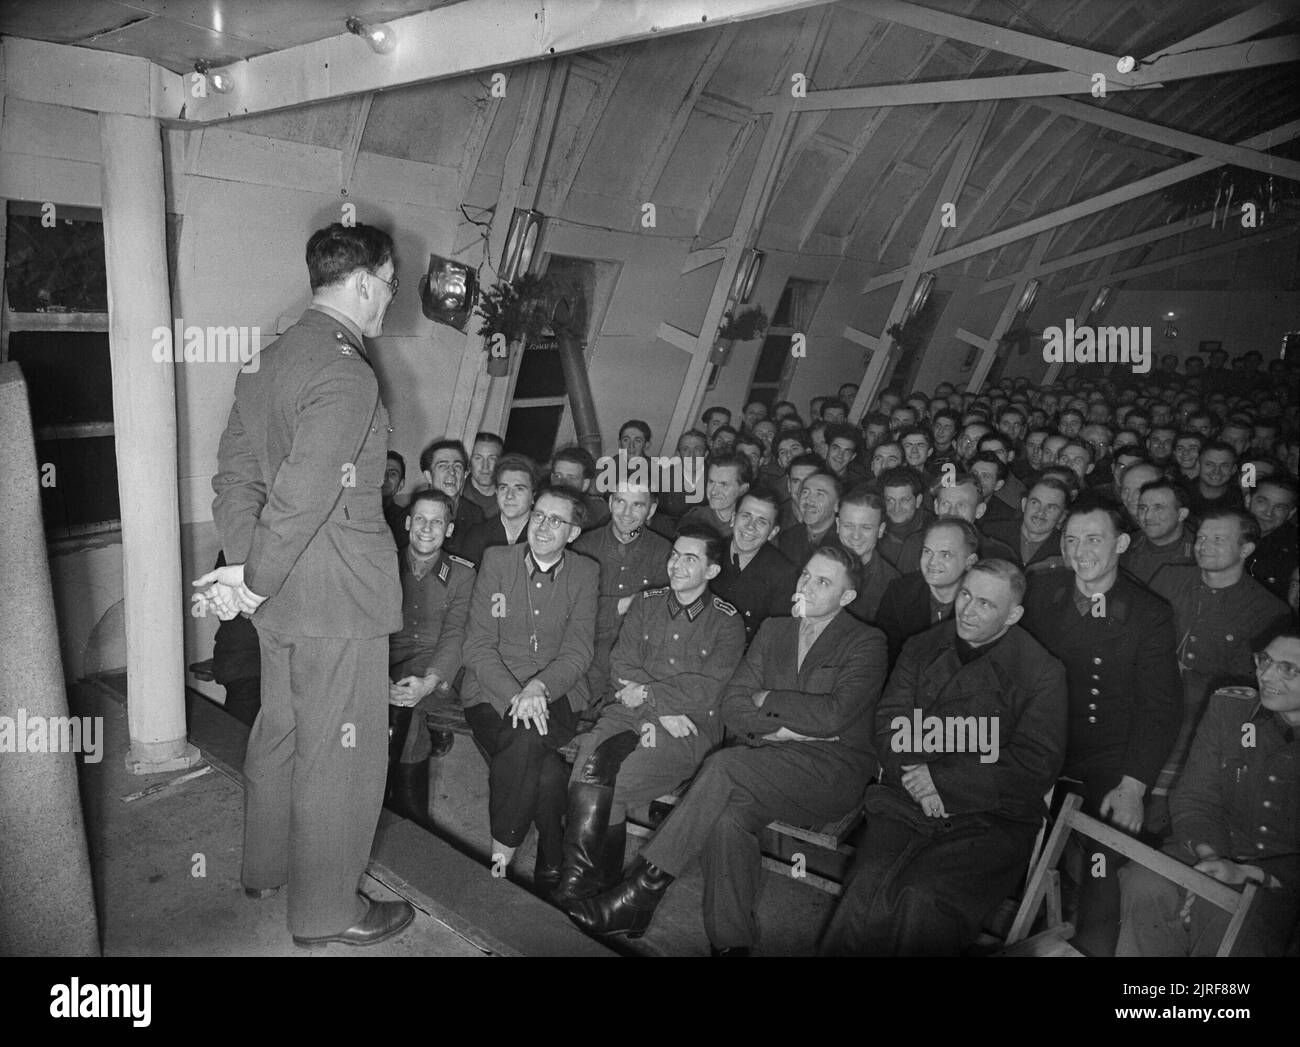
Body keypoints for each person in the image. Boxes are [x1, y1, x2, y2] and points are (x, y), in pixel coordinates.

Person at [204, 221, 412, 946]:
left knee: (281, 730)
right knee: (341, 757)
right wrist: (253, 580)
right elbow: (301, 495)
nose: (391, 298)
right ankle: (328, 911)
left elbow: (234, 476)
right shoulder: (346, 371)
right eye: (388, 284)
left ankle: (266, 867)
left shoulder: (266, 361)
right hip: (338, 602)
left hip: (282, 601)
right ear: (362, 283)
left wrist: (242, 570)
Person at [567, 548, 888, 954]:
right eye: (806, 575)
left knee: (722, 767)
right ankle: (731, 944)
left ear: (847, 597)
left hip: (828, 773)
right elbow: (734, 707)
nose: (806, 586)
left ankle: (642, 891)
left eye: (823, 582)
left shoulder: (866, 642)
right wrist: (787, 727)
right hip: (762, 761)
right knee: (726, 820)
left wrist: (766, 698)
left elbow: (835, 715)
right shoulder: (774, 631)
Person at [821, 560, 1067, 956]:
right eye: (965, 595)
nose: (967, 611)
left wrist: (944, 781)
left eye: (986, 604)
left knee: (922, 897)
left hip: (990, 818)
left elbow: (1037, 762)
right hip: (906, 799)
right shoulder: (923, 645)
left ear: (1013, 615)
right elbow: (889, 722)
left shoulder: (1041, 672)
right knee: (868, 885)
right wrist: (921, 781)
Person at [1021, 499, 1182, 956]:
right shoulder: (1040, 593)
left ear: (1122, 544)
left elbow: (1160, 708)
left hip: (1108, 762)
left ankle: (1092, 950)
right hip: (1042, 746)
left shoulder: (1148, 613)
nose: (1079, 551)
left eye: (1094, 539)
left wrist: (1133, 786)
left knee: (1101, 862)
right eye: (1071, 539)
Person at [553, 525, 746, 907]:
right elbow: (621, 662)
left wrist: (654, 697)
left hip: (686, 730)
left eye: (690, 558)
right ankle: (589, 887)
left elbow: (709, 688)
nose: (676, 564)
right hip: (627, 712)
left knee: (614, 783)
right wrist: (658, 704)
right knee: (585, 768)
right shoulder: (647, 602)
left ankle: (583, 886)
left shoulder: (727, 621)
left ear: (712, 571)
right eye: (675, 554)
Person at [1116, 633, 1300, 957]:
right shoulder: (1230, 708)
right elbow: (1194, 797)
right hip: (1208, 845)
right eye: (1266, 661)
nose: (1267, 676)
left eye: (1288, 669)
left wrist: (1244, 873)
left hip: (1278, 882)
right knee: (1144, 883)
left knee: (1226, 916)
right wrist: (1210, 854)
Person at [461, 484, 599, 893]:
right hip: (490, 691)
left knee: (526, 744)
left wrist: (539, 686)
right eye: (539, 514)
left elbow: (578, 652)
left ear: (573, 533)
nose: (543, 525)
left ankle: (502, 855)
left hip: (557, 694)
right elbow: (478, 645)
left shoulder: (584, 572)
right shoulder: (497, 561)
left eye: (557, 520)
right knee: (542, 764)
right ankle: (547, 851)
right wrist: (517, 694)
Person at [1148, 508, 1292, 828]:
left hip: (1202, 723)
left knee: (1171, 811)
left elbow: (1243, 689)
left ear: (1245, 549)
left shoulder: (1269, 610)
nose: (1205, 545)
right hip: (1148, 704)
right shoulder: (1168, 577)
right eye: (1201, 538)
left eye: (1218, 539)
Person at [386, 489, 474, 828]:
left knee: (404, 708)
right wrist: (378, 678)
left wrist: (429, 682)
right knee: (406, 723)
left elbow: (455, 635)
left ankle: (384, 808)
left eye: (437, 522)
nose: (427, 528)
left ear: (448, 530)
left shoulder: (463, 574)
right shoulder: (384, 563)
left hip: (437, 674)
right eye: (420, 519)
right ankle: (412, 819)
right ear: (408, 523)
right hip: (383, 666)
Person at [572, 481, 672, 714]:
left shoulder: (664, 552)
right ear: (610, 503)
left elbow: (662, 614)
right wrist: (622, 605)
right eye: (620, 502)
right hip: (588, 651)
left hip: (637, 658)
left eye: (637, 505)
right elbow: (573, 611)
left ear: (652, 510)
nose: (626, 513)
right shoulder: (584, 546)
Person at [876, 517, 979, 665]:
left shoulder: (979, 604)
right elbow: (885, 656)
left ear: (970, 562)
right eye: (927, 551)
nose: (932, 562)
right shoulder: (900, 592)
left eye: (945, 555)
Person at [711, 488, 799, 648]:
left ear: (773, 532)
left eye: (762, 521)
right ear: (732, 519)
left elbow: (775, 639)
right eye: (746, 516)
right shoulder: (709, 553)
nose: (750, 527)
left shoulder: (783, 574)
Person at [458, 453, 537, 565]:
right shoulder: (478, 535)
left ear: (533, 496)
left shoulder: (543, 535)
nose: (509, 495)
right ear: (496, 492)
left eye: (519, 489)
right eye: (503, 488)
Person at [837, 488, 899, 625]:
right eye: (848, 525)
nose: (856, 535)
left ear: (880, 530)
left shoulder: (893, 585)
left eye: (866, 527)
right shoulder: (815, 566)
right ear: (837, 525)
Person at [1120, 479, 1195, 585]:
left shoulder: (1198, 555)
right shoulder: (1124, 546)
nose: (1148, 516)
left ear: (1181, 514)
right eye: (1143, 508)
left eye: (1159, 508)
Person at [420, 438, 485, 558]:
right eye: (443, 466)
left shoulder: (476, 516)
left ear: (465, 475)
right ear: (429, 476)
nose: (452, 472)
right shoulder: (413, 514)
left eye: (457, 466)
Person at [777, 470, 843, 565]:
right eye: (805, 492)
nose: (809, 500)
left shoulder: (846, 540)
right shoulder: (788, 537)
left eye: (819, 494)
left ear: (837, 505)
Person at [679, 452, 751, 538]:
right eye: (711, 482)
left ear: (743, 489)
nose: (713, 491)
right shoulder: (695, 518)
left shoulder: (750, 526)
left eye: (723, 484)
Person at [464, 432, 504, 518]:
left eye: (492, 458)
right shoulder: (458, 494)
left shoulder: (510, 499)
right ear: (469, 461)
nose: (485, 466)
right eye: (478, 458)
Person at [382, 451, 409, 550]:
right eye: (380, 471)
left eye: (393, 474)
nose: (385, 478)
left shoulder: (404, 521)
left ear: (401, 485)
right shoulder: (349, 510)